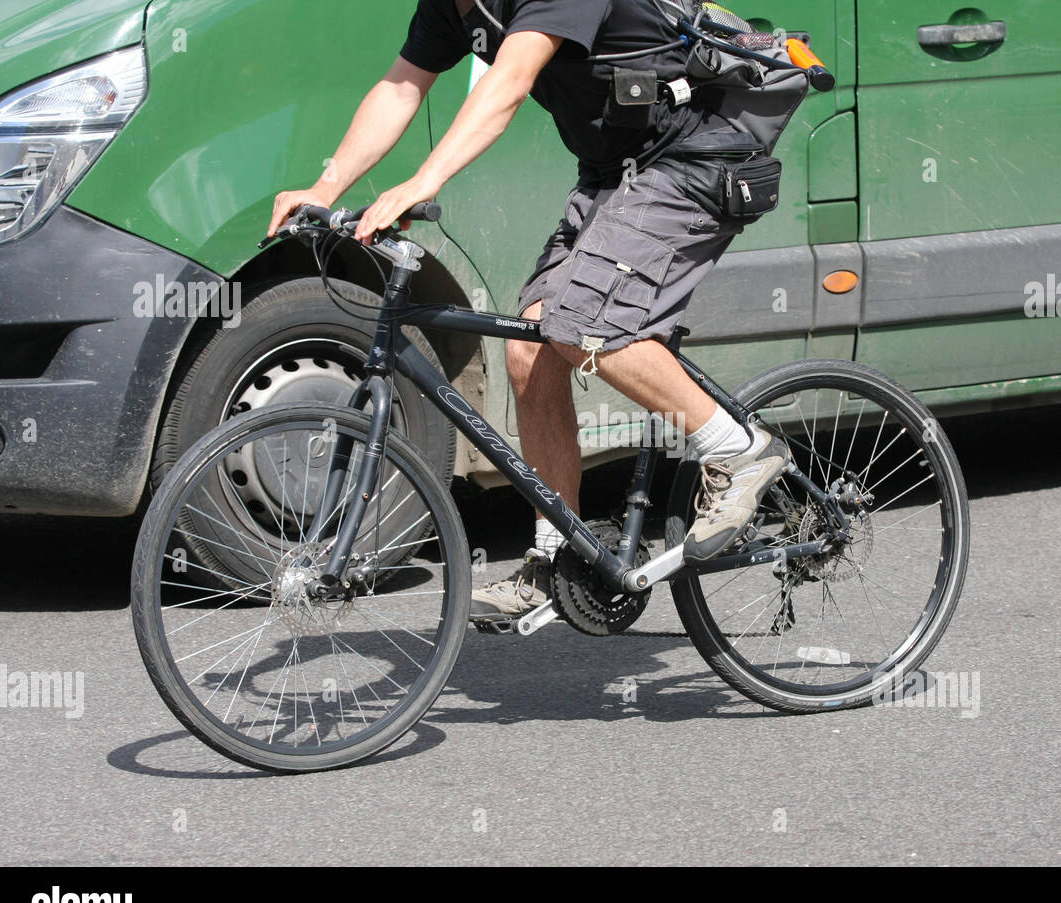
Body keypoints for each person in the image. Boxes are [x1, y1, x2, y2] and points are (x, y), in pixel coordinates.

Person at [267, 0, 789, 628]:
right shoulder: (452, 7)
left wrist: (423, 181)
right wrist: (324, 190)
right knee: (530, 349)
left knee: (585, 327)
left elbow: (509, 81)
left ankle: (739, 450)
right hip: (614, 170)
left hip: (696, 154)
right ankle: (558, 557)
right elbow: (402, 85)